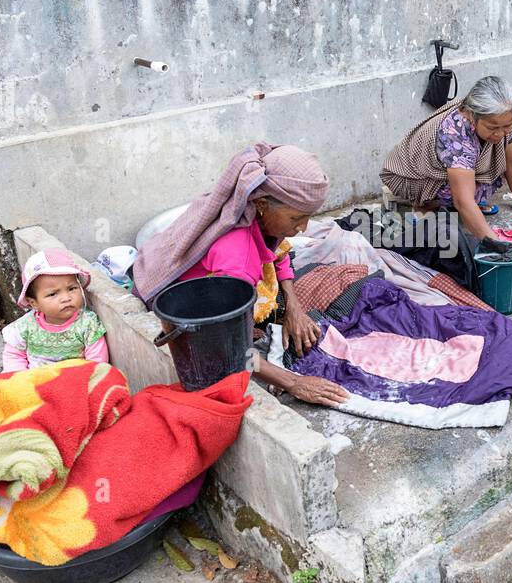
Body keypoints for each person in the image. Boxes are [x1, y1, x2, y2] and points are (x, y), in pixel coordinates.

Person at [132, 143, 349, 408]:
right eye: (296, 218)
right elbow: (229, 349)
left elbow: (279, 252)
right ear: (261, 204)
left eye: (307, 217)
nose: (303, 228)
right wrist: (294, 382)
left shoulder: (248, 209)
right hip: (197, 311)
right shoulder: (238, 260)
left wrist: (293, 308)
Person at [380, 75, 512, 244]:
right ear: (471, 116)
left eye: (506, 127)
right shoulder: (455, 135)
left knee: (488, 171)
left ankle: (470, 206)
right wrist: (495, 244)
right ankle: (426, 205)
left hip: (455, 169)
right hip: (411, 177)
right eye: (492, 128)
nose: (500, 133)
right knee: (463, 195)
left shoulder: (502, 119)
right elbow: (463, 201)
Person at [2, 249, 109, 371]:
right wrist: (20, 379)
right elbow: (14, 355)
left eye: (72, 288)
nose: (66, 298)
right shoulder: (25, 326)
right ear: (34, 303)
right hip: (36, 382)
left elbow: (97, 363)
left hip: (76, 382)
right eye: (53, 294)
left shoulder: (88, 324)